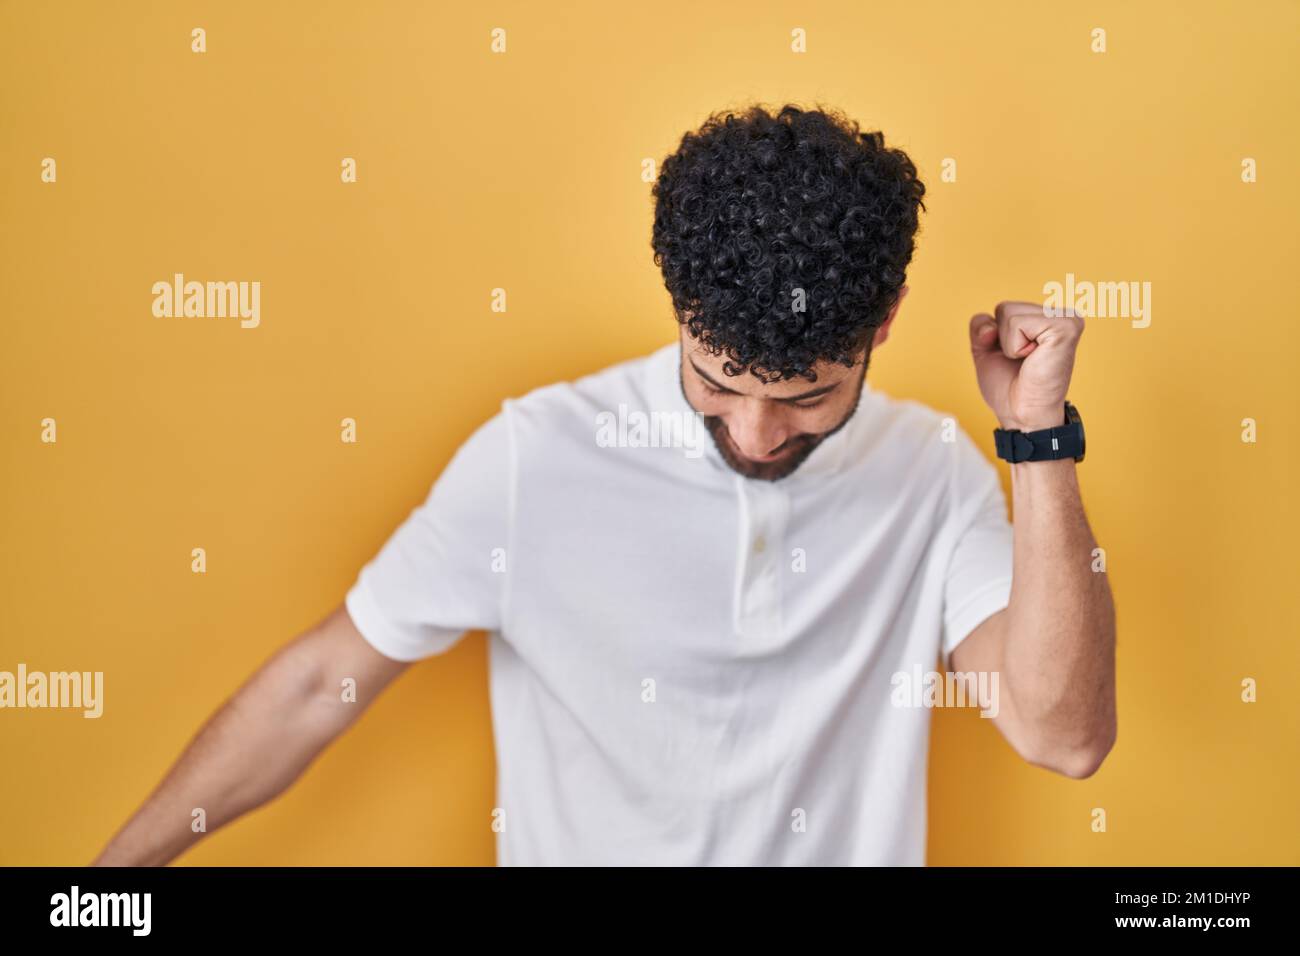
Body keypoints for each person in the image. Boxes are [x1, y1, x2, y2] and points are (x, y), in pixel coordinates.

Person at [93, 104, 1115, 867]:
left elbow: (1061, 733)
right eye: (715, 384)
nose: (756, 435)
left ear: (883, 320)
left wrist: (1036, 439)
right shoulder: (536, 456)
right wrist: (102, 887)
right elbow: (320, 682)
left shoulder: (930, 473)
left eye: (807, 397)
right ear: (677, 308)